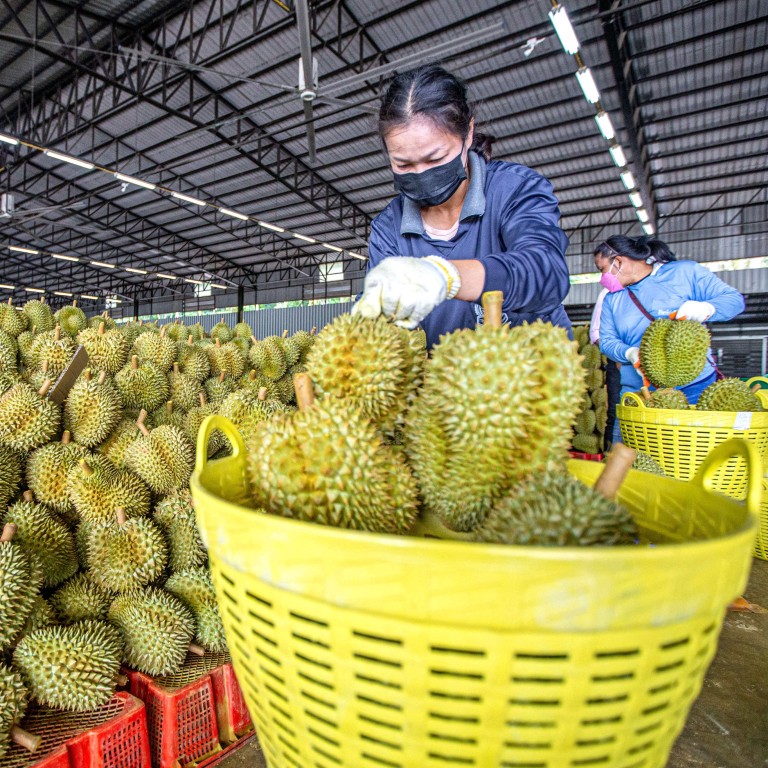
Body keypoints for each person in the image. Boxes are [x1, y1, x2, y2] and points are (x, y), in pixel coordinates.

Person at [353, 64, 571, 348]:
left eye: (435, 159)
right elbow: (383, 311)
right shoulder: (389, 226)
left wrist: (447, 276)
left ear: (468, 133)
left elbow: (547, 273)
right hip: (443, 382)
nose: (420, 173)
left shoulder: (514, 190)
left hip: (534, 380)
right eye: (402, 163)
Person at [595, 234, 745, 444]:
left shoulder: (685, 273)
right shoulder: (612, 299)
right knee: (631, 456)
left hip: (694, 389)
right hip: (639, 392)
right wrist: (629, 352)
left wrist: (707, 308)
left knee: (691, 452)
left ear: (618, 262)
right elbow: (607, 341)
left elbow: (734, 301)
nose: (602, 278)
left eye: (602, 270)